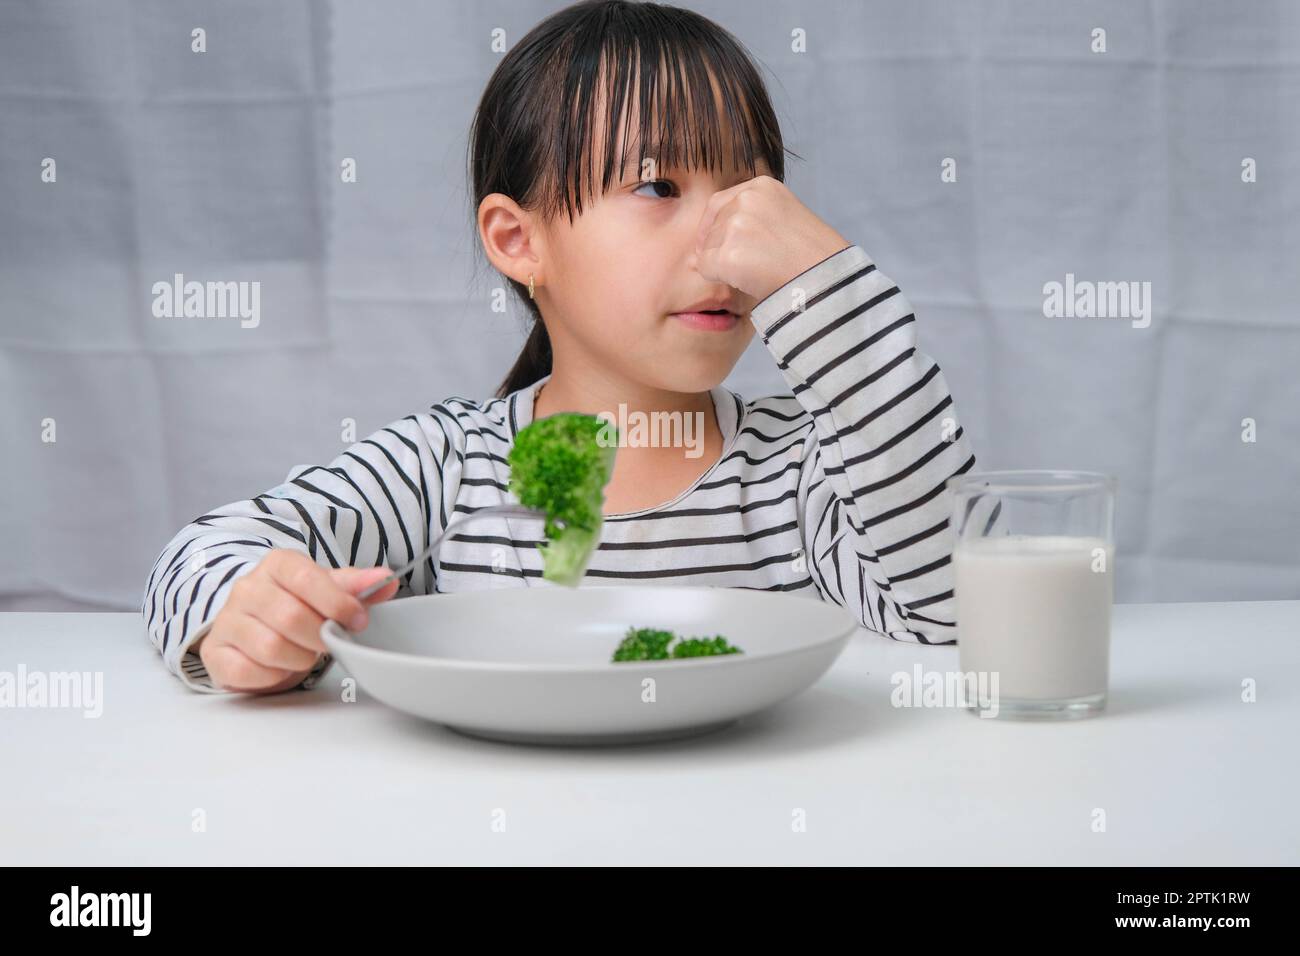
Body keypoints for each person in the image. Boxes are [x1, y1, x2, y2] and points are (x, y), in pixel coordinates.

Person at [142, 0, 979, 694]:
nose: (726, 243)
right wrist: (249, 614)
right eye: (659, 186)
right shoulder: (450, 466)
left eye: (749, 193)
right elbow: (201, 553)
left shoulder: (807, 474)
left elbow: (957, 608)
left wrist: (829, 289)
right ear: (518, 241)